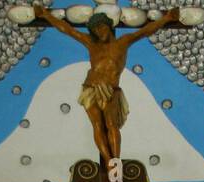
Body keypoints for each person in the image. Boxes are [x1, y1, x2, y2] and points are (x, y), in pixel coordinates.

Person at [33, 4, 181, 171]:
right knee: (97, 126)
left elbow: (145, 31)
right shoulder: (91, 43)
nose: (98, 32)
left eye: (101, 28)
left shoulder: (122, 42)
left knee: (111, 125)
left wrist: (167, 18)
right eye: (94, 30)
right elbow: (68, 30)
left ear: (108, 26)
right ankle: (109, 162)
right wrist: (46, 15)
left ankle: (116, 161)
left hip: (110, 90)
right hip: (90, 88)